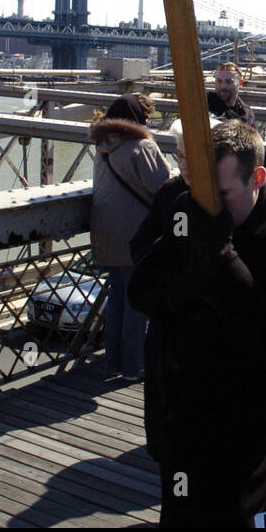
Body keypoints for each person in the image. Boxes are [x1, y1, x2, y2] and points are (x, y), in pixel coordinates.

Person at [128, 121, 266, 527]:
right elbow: (141, 290)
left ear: (257, 178)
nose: (209, 209)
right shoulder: (189, 206)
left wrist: (219, 256)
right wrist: (188, 284)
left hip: (241, 438)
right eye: (202, 194)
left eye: (222, 195)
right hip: (179, 424)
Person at [89, 93, 172, 381]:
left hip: (106, 235)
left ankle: (113, 362)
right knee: (139, 302)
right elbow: (162, 187)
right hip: (137, 236)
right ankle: (133, 366)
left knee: (117, 301)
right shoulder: (142, 146)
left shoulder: (101, 147)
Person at [207, 62, 256, 126]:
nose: (223, 86)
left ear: (240, 83)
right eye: (219, 81)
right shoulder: (205, 104)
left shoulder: (246, 114)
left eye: (229, 81)